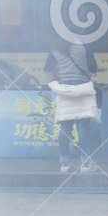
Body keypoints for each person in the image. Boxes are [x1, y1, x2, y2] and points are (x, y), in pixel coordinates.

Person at [44, 39, 98, 174]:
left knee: (65, 129)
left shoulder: (55, 48)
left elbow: (48, 73)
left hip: (64, 91)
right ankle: (85, 164)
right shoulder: (84, 46)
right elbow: (93, 69)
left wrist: (57, 85)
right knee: (83, 128)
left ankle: (64, 164)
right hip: (82, 90)